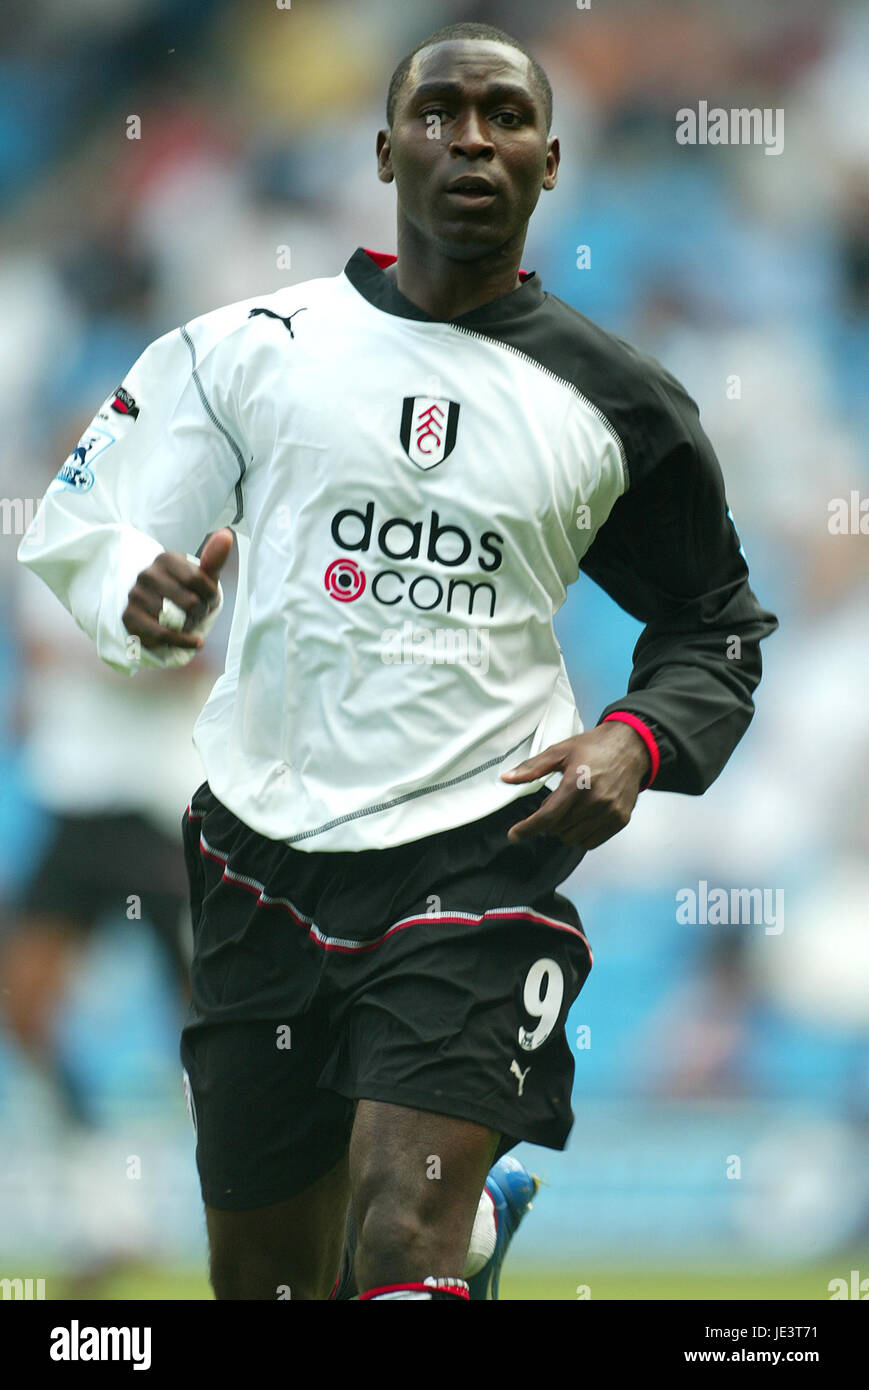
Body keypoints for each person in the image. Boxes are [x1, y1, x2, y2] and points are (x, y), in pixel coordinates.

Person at [18, 21, 778, 1301]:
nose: (468, 137)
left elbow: (715, 626)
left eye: (501, 116)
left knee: (396, 1245)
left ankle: (447, 1238)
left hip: (482, 849)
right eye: (437, 113)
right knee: (270, 1282)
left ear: (549, 160)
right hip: (257, 856)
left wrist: (631, 742)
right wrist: (128, 597)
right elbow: (78, 523)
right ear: (383, 149)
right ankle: (479, 1232)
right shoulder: (246, 348)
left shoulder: (621, 403)